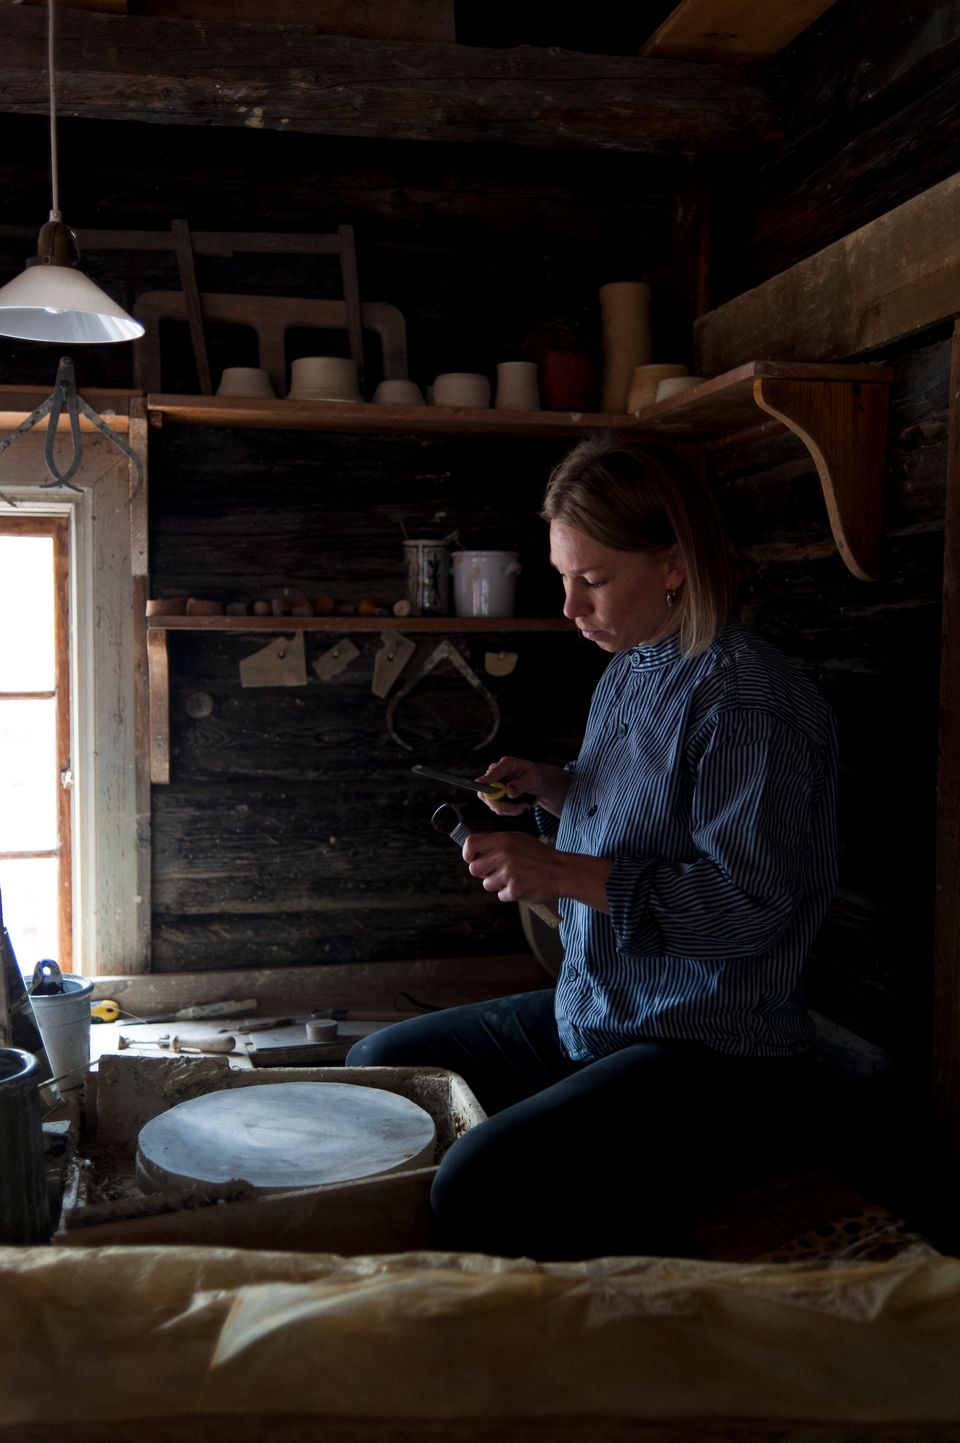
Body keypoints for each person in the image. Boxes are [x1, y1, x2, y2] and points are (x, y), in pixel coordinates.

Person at [347, 432, 839, 1260]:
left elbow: (752, 909)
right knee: (381, 1064)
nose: (571, 607)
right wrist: (557, 787)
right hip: (612, 1002)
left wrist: (560, 870)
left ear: (675, 565)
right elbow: (649, 813)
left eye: (595, 580)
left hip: (715, 1049)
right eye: (563, 577)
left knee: (476, 1184)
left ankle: (602, 1323)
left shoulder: (750, 703)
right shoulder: (635, 666)